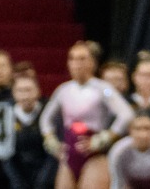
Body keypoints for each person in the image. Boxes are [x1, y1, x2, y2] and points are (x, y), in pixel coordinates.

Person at [41, 43, 135, 189]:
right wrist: (50, 140)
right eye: (72, 59)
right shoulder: (63, 90)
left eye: (82, 59)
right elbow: (45, 119)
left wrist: (106, 137)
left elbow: (126, 114)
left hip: (94, 155)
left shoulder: (104, 89)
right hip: (69, 155)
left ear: (93, 62)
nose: (77, 64)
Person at [8, 71, 54, 189]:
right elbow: (6, 156)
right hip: (18, 176)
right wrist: (18, 184)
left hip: (45, 177)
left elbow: (53, 153)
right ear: (13, 93)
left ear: (37, 91)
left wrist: (42, 183)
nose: (25, 95)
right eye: (20, 90)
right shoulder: (6, 115)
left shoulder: (49, 113)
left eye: (28, 90)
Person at [106, 115, 150, 189]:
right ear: (130, 131)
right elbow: (118, 182)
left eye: (147, 128)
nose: (143, 134)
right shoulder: (118, 151)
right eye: (138, 129)